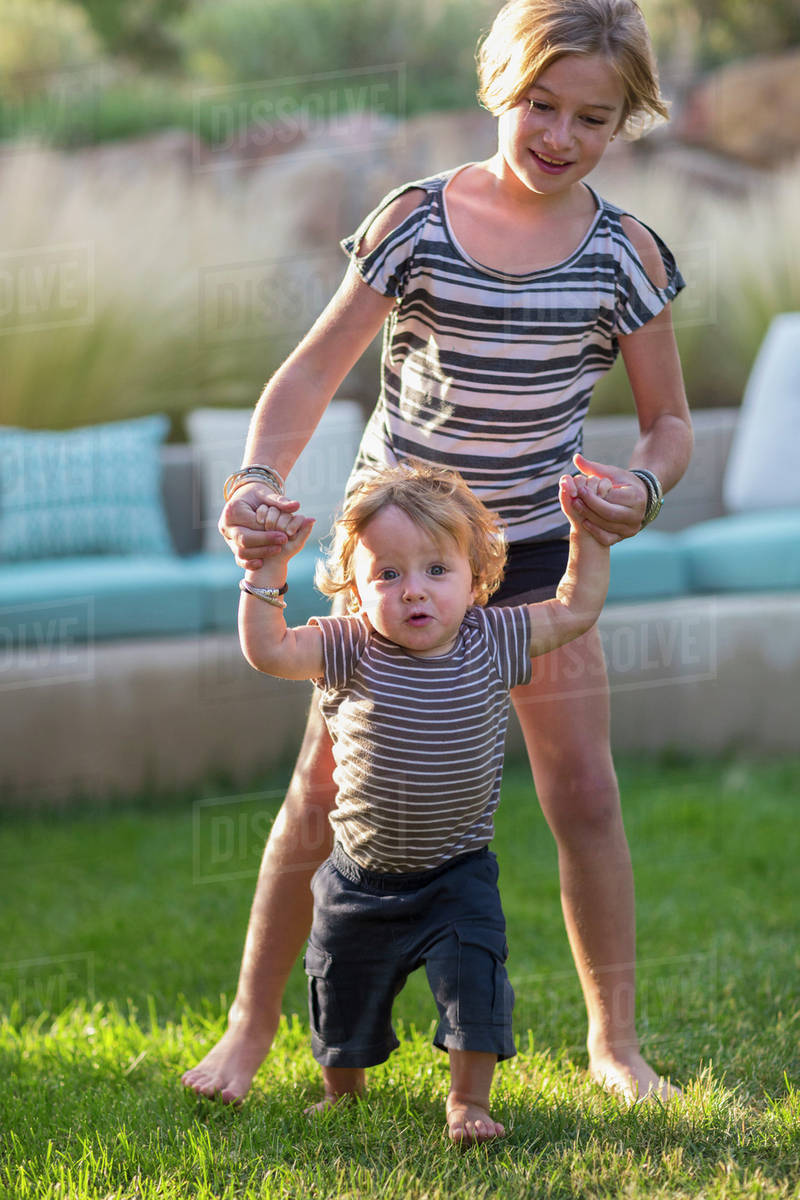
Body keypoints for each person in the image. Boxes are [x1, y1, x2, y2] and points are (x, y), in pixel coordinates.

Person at [182, 0, 693, 1106]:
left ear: (625, 120)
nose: (557, 135)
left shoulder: (624, 255)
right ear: (498, 86)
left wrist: (637, 488)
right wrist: (255, 483)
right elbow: (308, 377)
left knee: (584, 795)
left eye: (590, 118)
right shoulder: (415, 220)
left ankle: (615, 1045)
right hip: (402, 555)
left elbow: (668, 424)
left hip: (534, 555)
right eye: (538, 105)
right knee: (320, 799)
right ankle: (248, 1031)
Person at [236, 459, 610, 1142]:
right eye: (389, 574)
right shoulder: (349, 646)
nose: (416, 592)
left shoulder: (493, 638)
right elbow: (267, 650)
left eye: (438, 570)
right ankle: (341, 1091)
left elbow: (577, 608)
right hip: (358, 878)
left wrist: (589, 536)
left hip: (456, 874)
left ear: (477, 578)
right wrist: (266, 574)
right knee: (340, 992)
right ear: (354, 583)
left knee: (476, 980)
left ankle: (469, 1102)